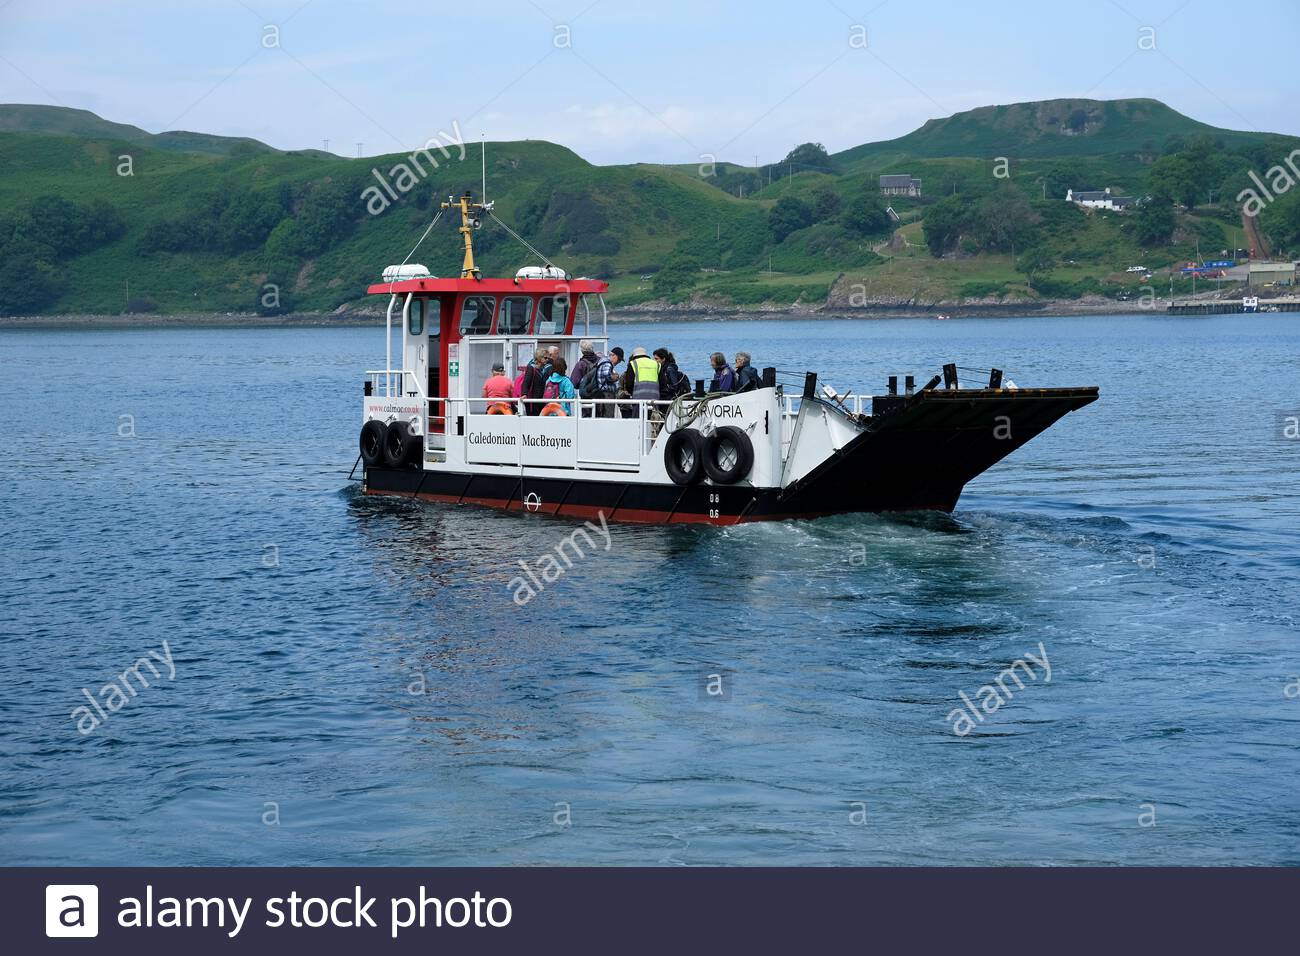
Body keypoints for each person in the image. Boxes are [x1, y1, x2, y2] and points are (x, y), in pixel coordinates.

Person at [585, 347, 623, 418]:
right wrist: (616, 377)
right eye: (619, 359)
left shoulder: (602, 361)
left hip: (602, 393)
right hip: (607, 394)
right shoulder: (607, 363)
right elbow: (607, 376)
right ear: (614, 356)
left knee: (602, 415)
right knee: (609, 416)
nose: (619, 362)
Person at [520, 346, 552, 415]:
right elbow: (526, 382)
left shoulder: (544, 369)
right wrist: (524, 394)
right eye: (545, 358)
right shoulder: (531, 368)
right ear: (539, 358)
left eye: (548, 358)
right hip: (532, 401)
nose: (547, 360)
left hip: (541, 400)